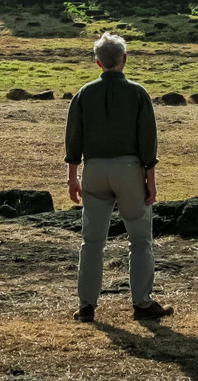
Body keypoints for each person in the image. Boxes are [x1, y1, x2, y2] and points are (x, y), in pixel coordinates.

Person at [65, 32, 173, 322]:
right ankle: (142, 303)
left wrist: (72, 176)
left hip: (94, 170)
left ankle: (86, 306)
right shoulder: (138, 93)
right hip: (128, 170)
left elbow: (74, 137)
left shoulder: (84, 93)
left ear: (98, 62)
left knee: (92, 242)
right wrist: (150, 178)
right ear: (124, 59)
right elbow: (147, 139)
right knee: (140, 239)